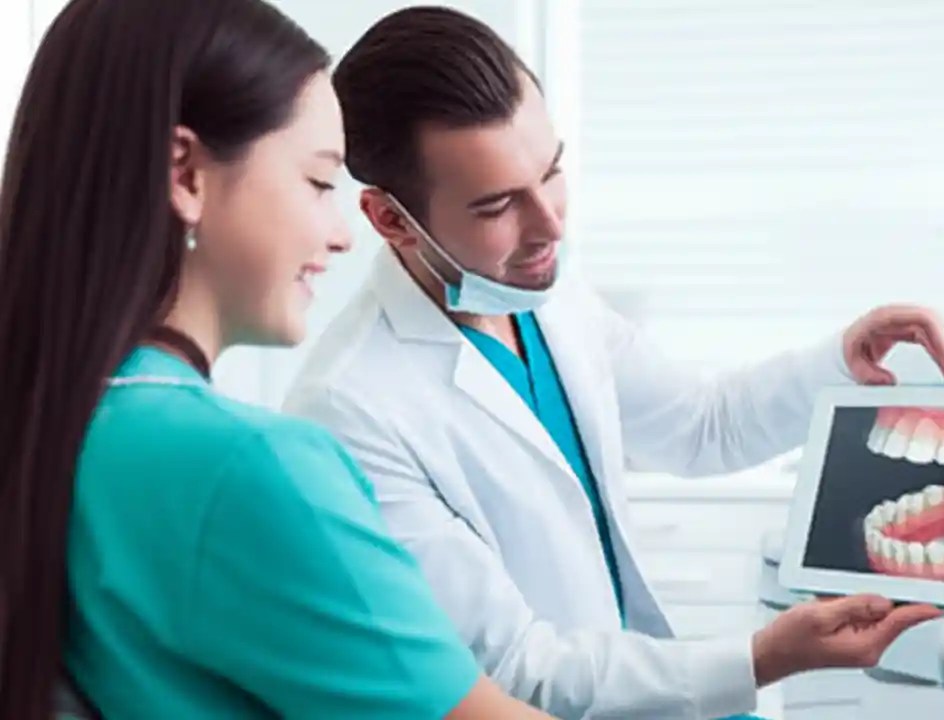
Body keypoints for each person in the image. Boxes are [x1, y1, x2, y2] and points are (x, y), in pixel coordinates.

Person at [283, 7, 944, 719]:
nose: (550, 223)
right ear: (391, 219)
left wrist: (842, 360)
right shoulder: (349, 411)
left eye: (551, 173)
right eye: (497, 206)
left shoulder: (543, 292)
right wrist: (764, 656)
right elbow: (512, 673)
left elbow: (702, 426)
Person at [0, 1, 582, 718]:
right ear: (184, 174)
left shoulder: (61, 425)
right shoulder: (247, 465)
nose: (340, 237)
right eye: (317, 183)